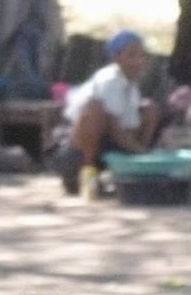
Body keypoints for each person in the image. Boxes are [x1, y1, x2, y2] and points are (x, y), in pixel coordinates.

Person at [54, 30, 160, 196]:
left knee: (148, 108)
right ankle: (88, 178)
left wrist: (140, 153)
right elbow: (116, 131)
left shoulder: (131, 86)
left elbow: (129, 128)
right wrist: (142, 154)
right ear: (117, 58)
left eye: (141, 55)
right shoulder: (109, 80)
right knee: (95, 109)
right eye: (131, 55)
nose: (139, 61)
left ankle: (135, 173)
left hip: (106, 147)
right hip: (75, 153)